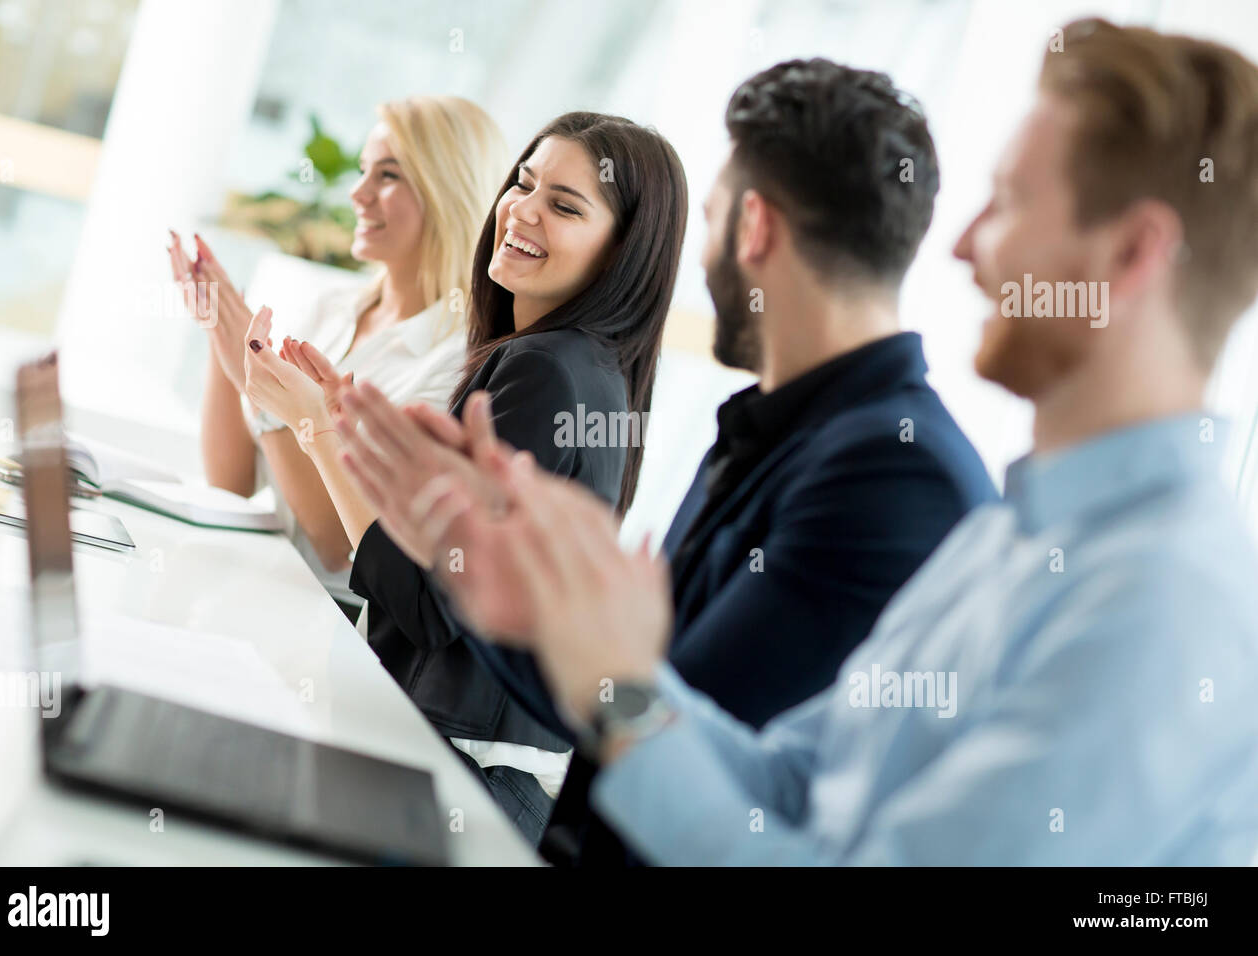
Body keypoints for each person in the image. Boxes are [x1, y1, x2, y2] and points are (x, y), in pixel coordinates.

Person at [405, 18, 1258, 865]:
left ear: (1133, 253)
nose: (963, 247)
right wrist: (573, 630)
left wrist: (616, 681)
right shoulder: (1012, 535)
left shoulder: (1163, 601)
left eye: (1010, 202)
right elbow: (789, 782)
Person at [330, 59, 997, 865]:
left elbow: (696, 738)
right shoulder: (776, 431)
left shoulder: (894, 475)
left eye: (709, 216)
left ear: (753, 228)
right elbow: (636, 700)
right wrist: (513, 591)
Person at [240, 111, 688, 841]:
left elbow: (428, 600)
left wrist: (315, 429)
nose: (523, 209)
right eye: (524, 182)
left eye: (565, 206)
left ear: (619, 255)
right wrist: (335, 418)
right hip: (460, 775)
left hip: (457, 781)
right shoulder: (585, 368)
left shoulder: (546, 368)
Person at [167, 95, 508, 613]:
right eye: (364, 171)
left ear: (447, 192)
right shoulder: (330, 308)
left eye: (388, 176)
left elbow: (334, 543)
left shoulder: (455, 361)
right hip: (257, 590)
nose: (358, 192)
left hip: (330, 622)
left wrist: (268, 398)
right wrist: (224, 336)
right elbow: (232, 485)